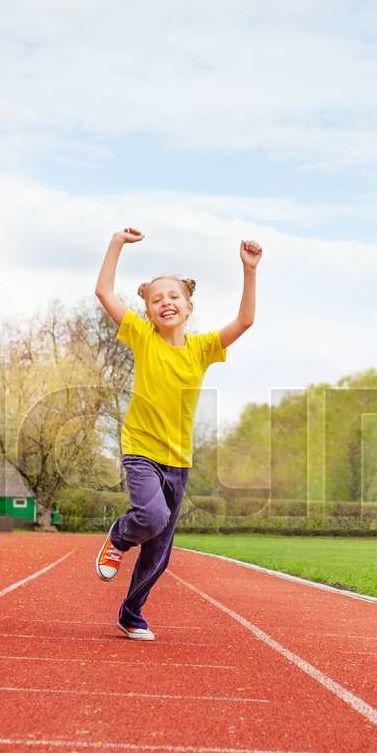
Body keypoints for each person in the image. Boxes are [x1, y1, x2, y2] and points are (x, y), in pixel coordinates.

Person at [92, 227, 261, 640]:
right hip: (141, 451)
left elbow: (245, 320)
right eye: (156, 299)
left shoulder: (203, 348)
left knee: (161, 550)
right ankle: (119, 535)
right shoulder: (142, 337)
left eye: (173, 297)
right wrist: (116, 243)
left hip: (179, 460)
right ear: (147, 311)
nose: (165, 303)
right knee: (151, 516)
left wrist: (249, 270)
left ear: (188, 306)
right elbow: (104, 293)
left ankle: (131, 613)